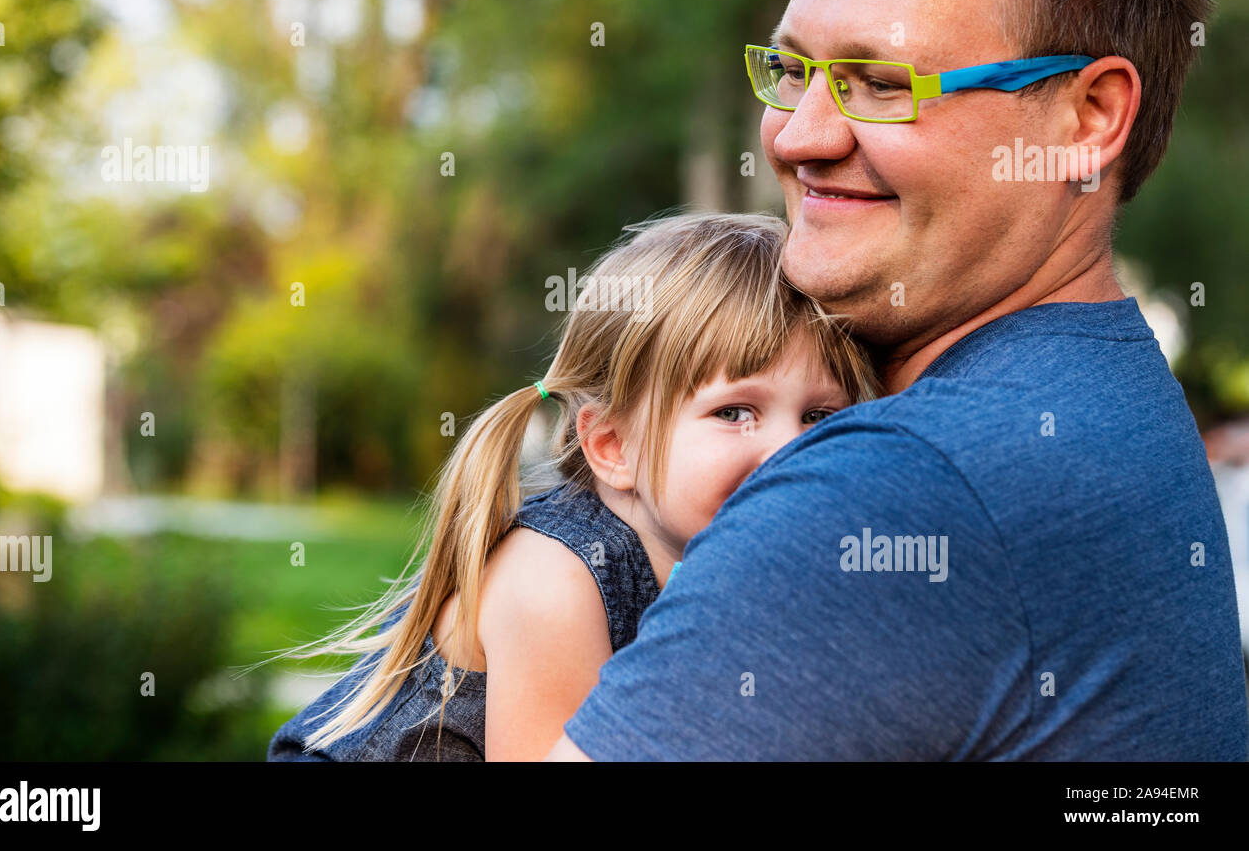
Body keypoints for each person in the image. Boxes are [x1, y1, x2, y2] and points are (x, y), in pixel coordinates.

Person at [547, 0, 1249, 761]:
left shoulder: (903, 492)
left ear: (1088, 119)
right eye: (793, 69)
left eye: (880, 83)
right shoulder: (1108, 398)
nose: (799, 137)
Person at [265, 211, 878, 760]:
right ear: (613, 447)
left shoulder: (699, 563)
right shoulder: (555, 580)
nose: (789, 449)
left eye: (819, 417)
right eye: (734, 412)